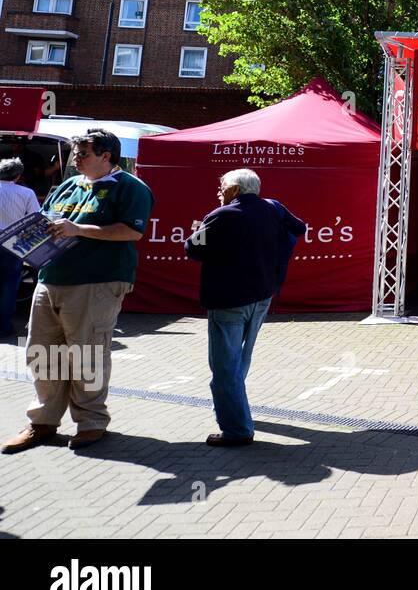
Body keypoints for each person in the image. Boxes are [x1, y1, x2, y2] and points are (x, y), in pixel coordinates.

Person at [2, 130, 153, 453]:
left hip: (97, 281)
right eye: (75, 153)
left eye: (83, 153)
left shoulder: (130, 187)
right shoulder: (70, 185)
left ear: (106, 156)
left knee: (87, 354)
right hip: (50, 276)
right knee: (41, 352)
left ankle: (91, 423)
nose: (75, 159)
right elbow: (50, 221)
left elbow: (131, 231)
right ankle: (43, 422)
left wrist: (78, 229)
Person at [186, 169, 303, 446]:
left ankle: (236, 429)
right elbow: (299, 228)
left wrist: (197, 228)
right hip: (262, 295)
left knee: (225, 368)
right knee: (240, 359)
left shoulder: (221, 215)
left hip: (229, 300)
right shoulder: (273, 208)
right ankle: (236, 408)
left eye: (222, 186)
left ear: (235, 190)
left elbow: (192, 248)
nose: (219, 190)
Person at [0, 158, 41, 337]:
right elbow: (36, 218)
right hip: (12, 242)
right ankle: (3, 326)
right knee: (8, 285)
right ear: (18, 175)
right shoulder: (27, 193)